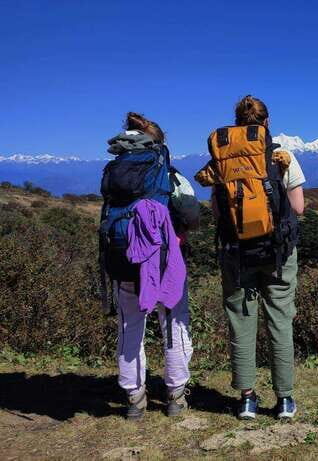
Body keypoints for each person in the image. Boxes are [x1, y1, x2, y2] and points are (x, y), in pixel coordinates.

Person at [200, 95, 305, 420]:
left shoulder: (221, 159)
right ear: (267, 122)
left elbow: (218, 211)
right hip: (277, 252)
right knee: (280, 321)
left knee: (241, 322)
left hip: (237, 254)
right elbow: (299, 207)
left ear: (236, 123)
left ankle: (247, 399)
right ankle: (284, 399)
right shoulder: (281, 156)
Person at [101, 113, 194, 420]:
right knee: (174, 326)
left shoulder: (115, 174)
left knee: (130, 327)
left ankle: (134, 398)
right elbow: (192, 216)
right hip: (164, 262)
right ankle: (175, 395)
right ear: (159, 144)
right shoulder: (169, 176)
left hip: (124, 259)